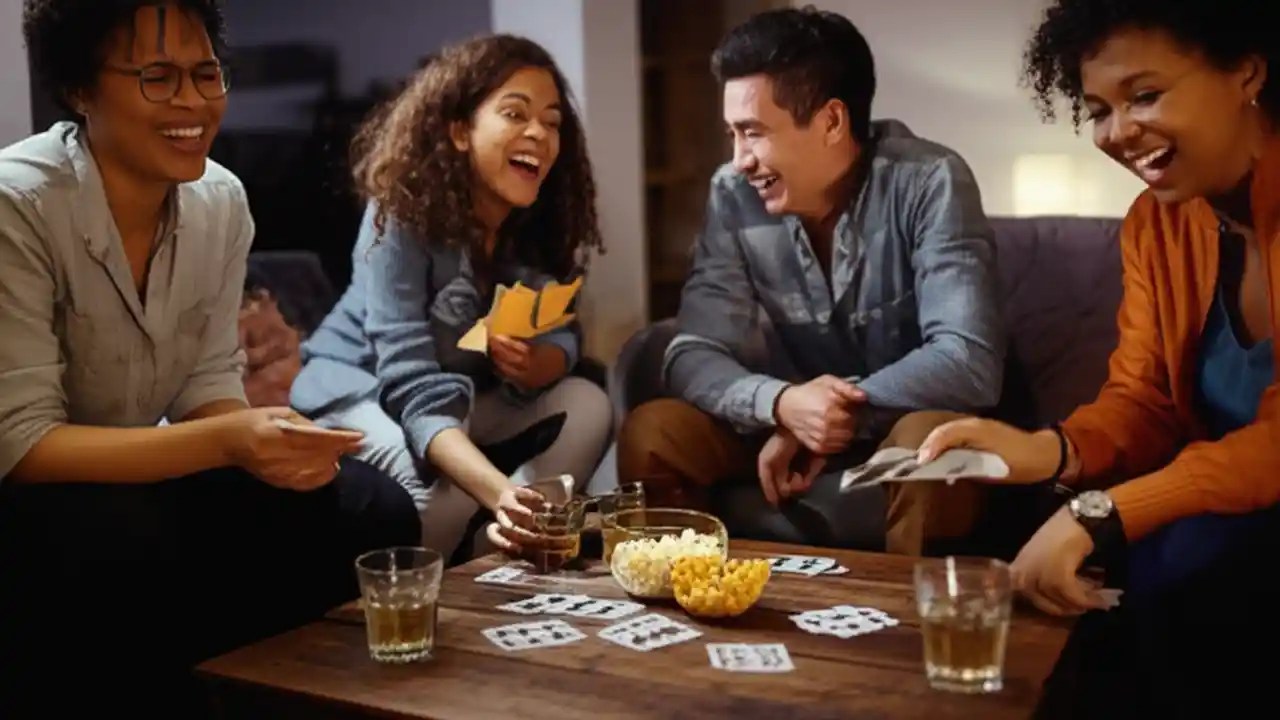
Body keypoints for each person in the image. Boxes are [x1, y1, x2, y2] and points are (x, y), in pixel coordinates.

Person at [0, 2, 421, 715]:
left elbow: (206, 384)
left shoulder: (220, 201)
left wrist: (268, 448)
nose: (193, 101)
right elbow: (24, 444)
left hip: (137, 480)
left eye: (206, 73)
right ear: (79, 87)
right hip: (30, 500)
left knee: (370, 509)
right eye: (157, 77)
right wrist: (229, 439)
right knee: (123, 543)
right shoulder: (19, 204)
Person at [915, 0, 1280, 714]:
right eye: (1099, 110)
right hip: (1222, 513)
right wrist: (1040, 452)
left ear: (1246, 70)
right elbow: (1141, 402)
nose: (1118, 133)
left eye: (1145, 95)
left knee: (1183, 568)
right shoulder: (1158, 225)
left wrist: (1102, 512)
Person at [616, 7, 1005, 555]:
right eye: (732, 133)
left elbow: (968, 359)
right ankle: (689, 607)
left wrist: (837, 408)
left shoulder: (930, 180)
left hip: (904, 424)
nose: (739, 159)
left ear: (831, 122)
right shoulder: (732, 194)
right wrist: (782, 405)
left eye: (753, 133)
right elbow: (692, 352)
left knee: (925, 448)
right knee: (653, 432)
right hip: (788, 417)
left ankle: (899, 633)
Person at [290, 34, 614, 564]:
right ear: (460, 131)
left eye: (553, 122)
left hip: (459, 397)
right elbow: (409, 377)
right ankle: (403, 606)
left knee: (588, 401)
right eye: (515, 113)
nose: (539, 132)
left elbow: (562, 325)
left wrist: (542, 362)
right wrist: (495, 490)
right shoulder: (401, 212)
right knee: (443, 494)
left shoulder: (534, 222)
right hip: (364, 389)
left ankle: (503, 551)